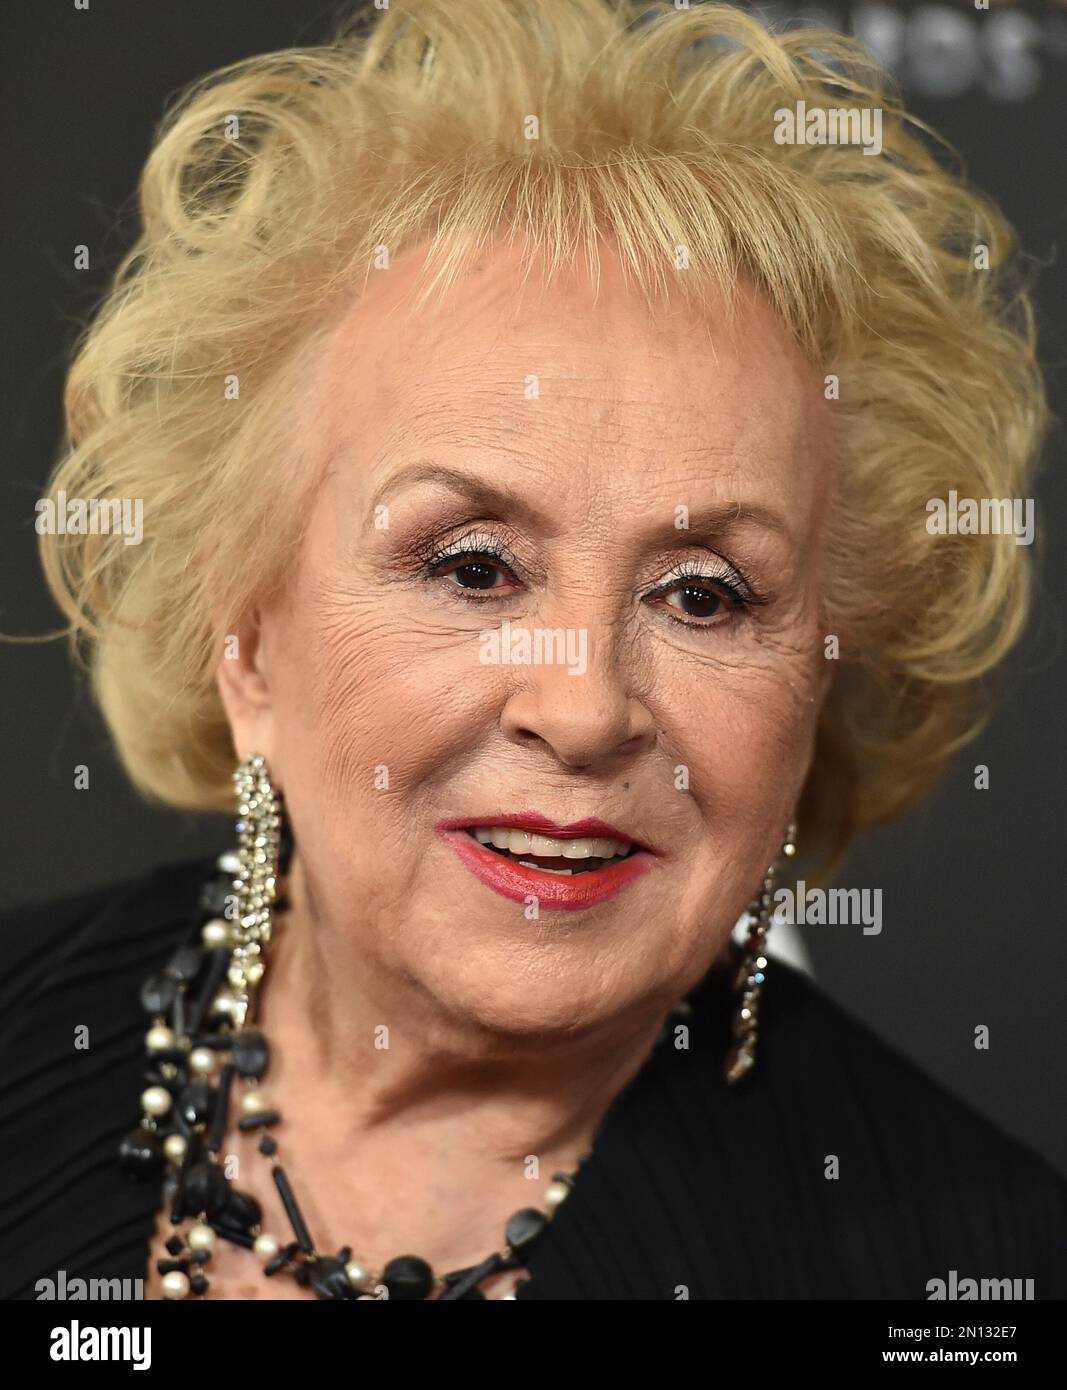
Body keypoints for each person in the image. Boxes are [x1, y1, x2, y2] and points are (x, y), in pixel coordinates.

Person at [3, 0, 1063, 1301]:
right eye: (472, 566)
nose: (583, 707)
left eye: (705, 596)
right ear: (250, 640)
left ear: (821, 681)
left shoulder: (975, 1270)